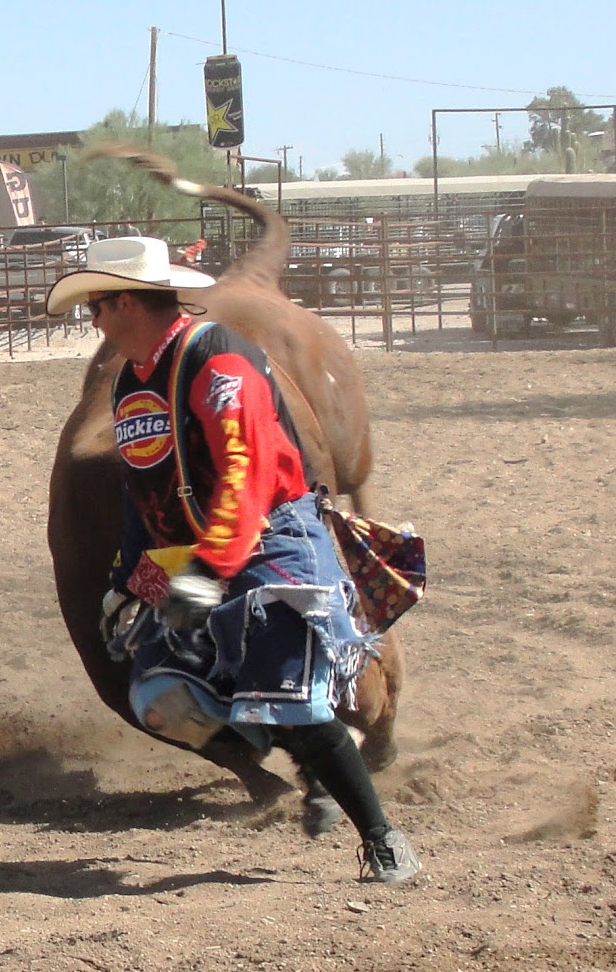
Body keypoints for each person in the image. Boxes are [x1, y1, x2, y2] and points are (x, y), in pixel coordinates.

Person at [44, 236, 420, 887]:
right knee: (159, 697)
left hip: (273, 543)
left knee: (297, 705)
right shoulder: (136, 382)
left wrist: (194, 586)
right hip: (204, 555)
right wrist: (133, 581)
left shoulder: (221, 365)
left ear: (129, 303)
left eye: (97, 307)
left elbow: (244, 485)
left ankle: (385, 841)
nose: (94, 323)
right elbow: (144, 496)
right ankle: (284, 745)